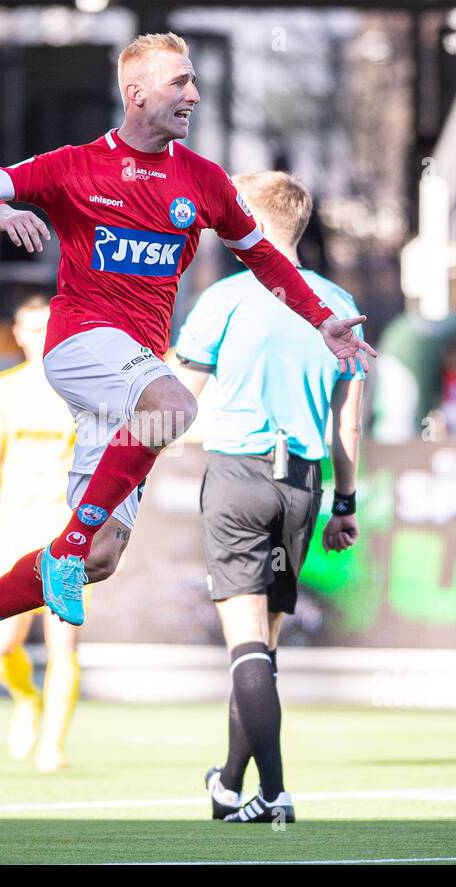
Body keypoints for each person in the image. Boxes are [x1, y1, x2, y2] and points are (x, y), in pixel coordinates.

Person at [0, 32, 374, 694]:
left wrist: (322, 318)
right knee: (176, 405)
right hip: (81, 342)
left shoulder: (203, 180)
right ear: (137, 93)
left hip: (132, 380)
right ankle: (64, 549)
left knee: (100, 556)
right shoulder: (73, 165)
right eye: (180, 83)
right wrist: (1, 210)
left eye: (193, 83)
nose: (194, 94)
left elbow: (266, 259)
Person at [172, 171, 366, 823]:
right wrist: (346, 502)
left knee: (245, 645)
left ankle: (276, 790)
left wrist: (124, 462)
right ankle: (230, 786)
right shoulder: (338, 301)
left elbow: (177, 403)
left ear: (248, 221)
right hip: (301, 486)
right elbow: (350, 423)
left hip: (236, 475)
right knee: (262, 647)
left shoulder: (225, 298)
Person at [0, 296, 82, 772]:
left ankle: (53, 743)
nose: (40, 337)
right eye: (32, 329)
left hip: (62, 531)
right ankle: (26, 698)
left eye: (48, 327)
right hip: (14, 528)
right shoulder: (5, 389)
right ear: (18, 334)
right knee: (2, 645)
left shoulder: (79, 388)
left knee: (63, 642)